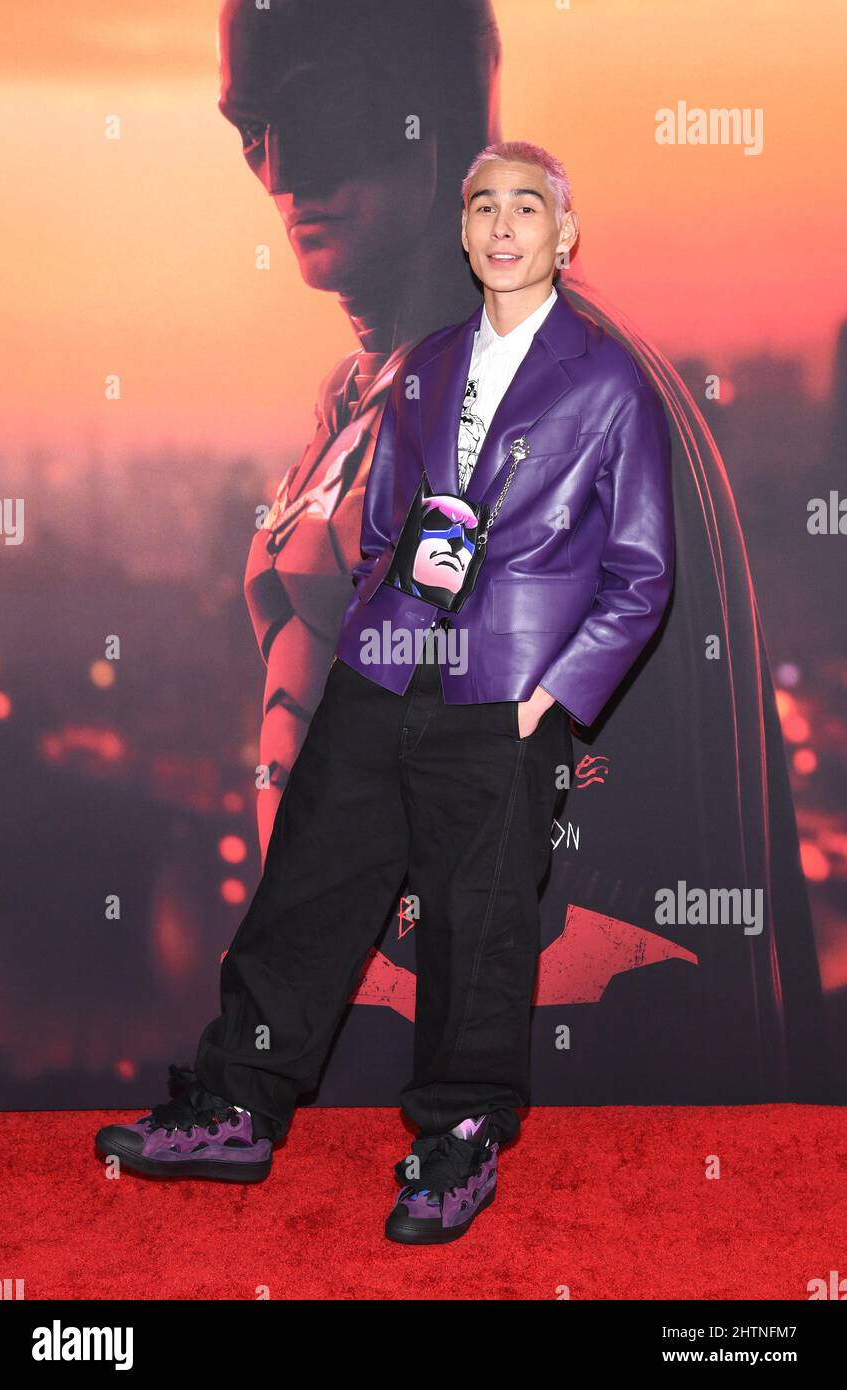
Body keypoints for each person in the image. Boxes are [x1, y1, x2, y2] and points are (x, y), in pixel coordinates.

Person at [95, 145, 675, 1245]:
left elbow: (642, 573)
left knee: (478, 927)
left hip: (504, 697)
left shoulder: (609, 382)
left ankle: (454, 1146)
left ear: (565, 235)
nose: (502, 226)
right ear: (462, 236)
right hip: (384, 669)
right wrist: (374, 631)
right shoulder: (418, 368)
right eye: (482, 208)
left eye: (526, 208)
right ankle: (235, 1108)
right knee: (305, 892)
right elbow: (388, 529)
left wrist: (547, 698)